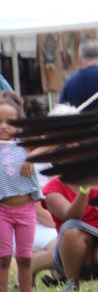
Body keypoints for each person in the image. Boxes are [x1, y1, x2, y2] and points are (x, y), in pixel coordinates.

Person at [41, 176, 98, 292]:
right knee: (71, 228)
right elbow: (72, 217)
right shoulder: (53, 188)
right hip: (74, 247)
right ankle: (72, 283)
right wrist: (84, 190)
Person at [0, 91, 41, 292]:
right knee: (3, 258)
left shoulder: (25, 144)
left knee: (25, 258)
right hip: (2, 211)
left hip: (26, 211)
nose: (3, 127)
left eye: (9, 122)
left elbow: (45, 147)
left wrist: (30, 159)